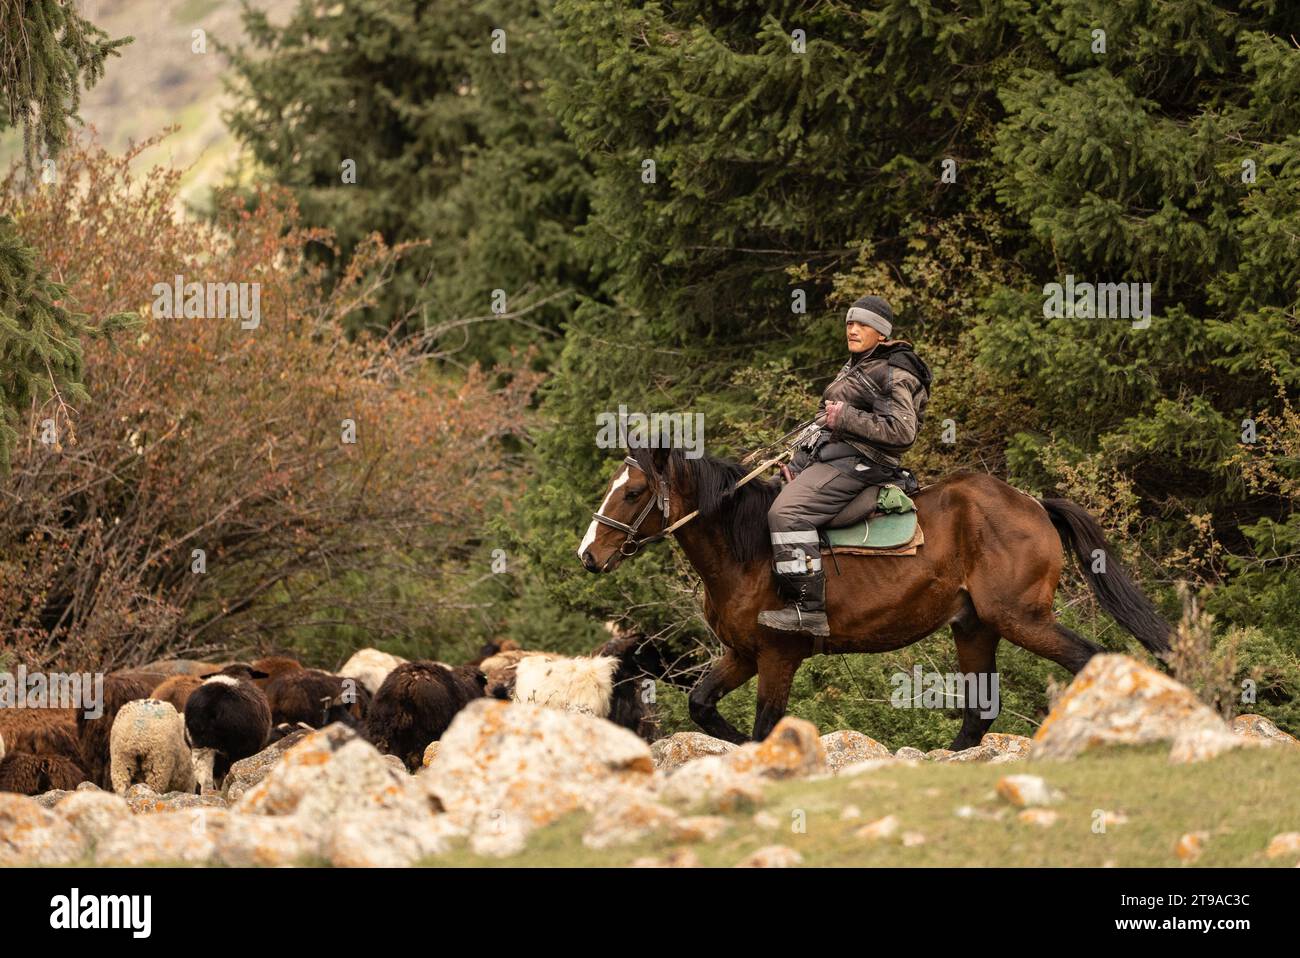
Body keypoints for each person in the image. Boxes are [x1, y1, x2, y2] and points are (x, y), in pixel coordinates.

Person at [757, 295, 932, 637]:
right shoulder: (859, 363)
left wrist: (846, 416)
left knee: (787, 514)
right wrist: (798, 463)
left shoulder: (895, 371)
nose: (852, 329)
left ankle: (808, 609)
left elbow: (902, 431)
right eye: (850, 323)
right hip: (836, 458)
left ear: (881, 333)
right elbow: (827, 426)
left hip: (864, 463)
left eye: (862, 324)